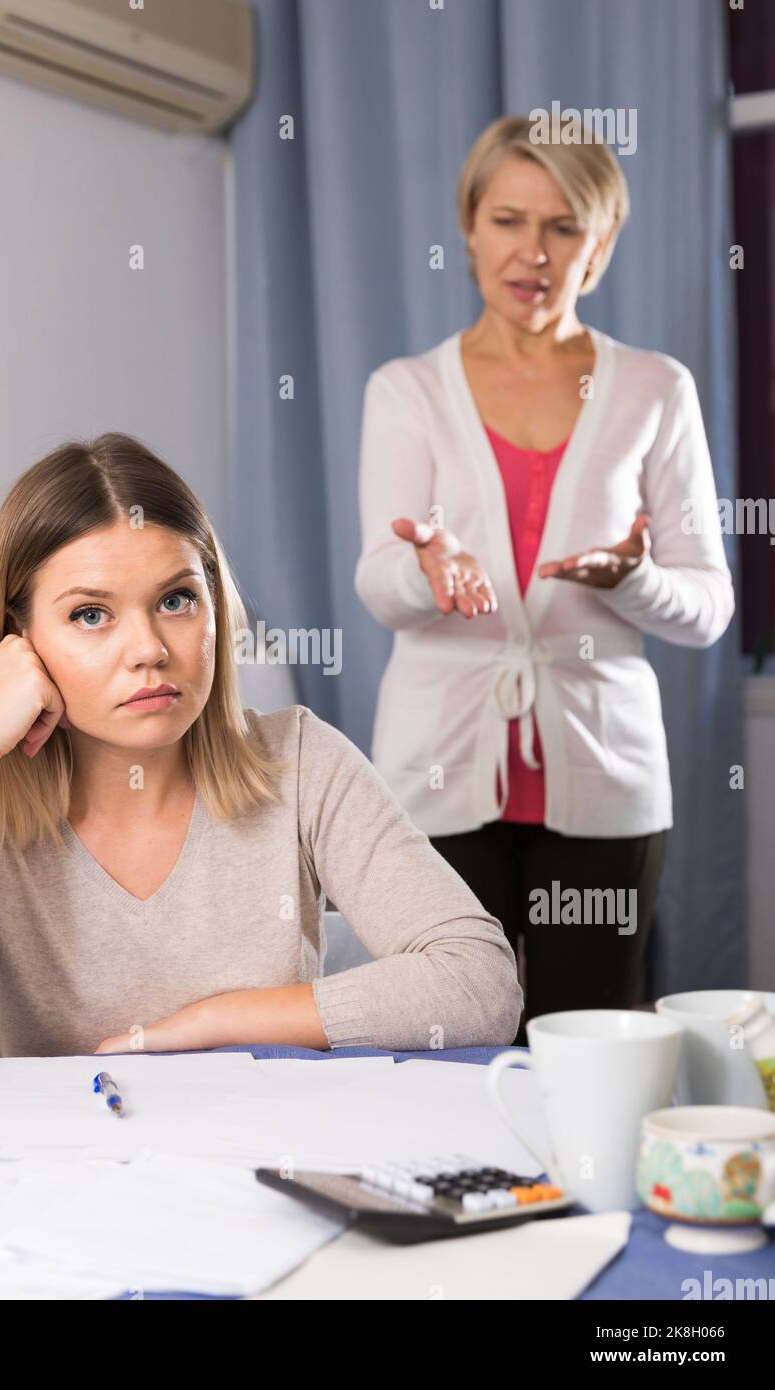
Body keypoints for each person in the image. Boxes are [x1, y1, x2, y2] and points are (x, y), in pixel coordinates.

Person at [0, 433, 522, 1084]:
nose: (150, 648)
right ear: (18, 639)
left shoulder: (303, 762)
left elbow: (479, 984)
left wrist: (208, 1026)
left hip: (271, 1163)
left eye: (177, 600)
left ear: (216, 609)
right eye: (90, 614)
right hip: (60, 1187)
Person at [354, 115, 734, 1045]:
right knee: (439, 1046)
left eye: (564, 226)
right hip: (436, 781)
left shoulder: (654, 389)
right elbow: (378, 580)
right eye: (508, 220)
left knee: (586, 1053)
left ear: (599, 244)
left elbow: (709, 607)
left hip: (606, 787)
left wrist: (635, 580)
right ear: (470, 227)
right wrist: (427, 573)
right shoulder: (405, 389)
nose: (533, 251)